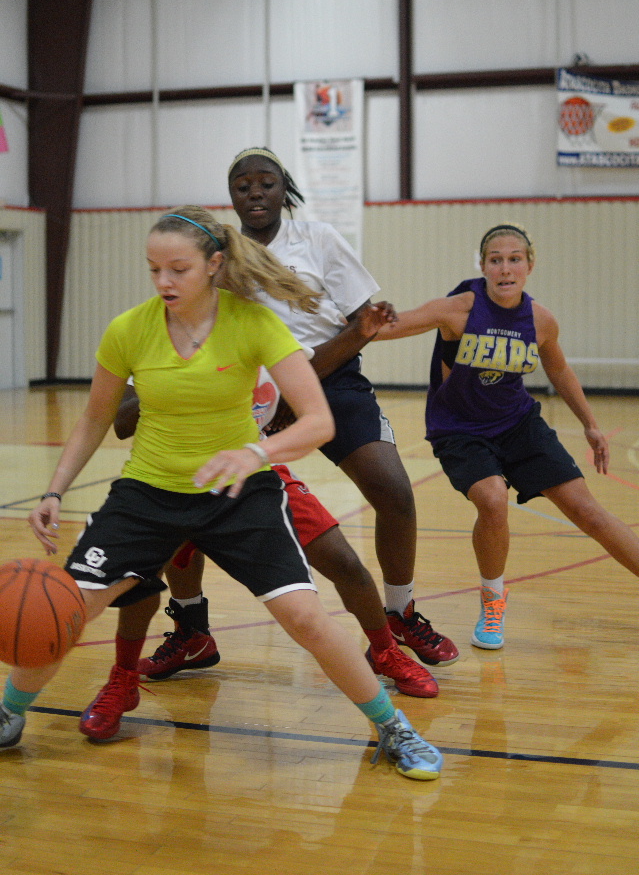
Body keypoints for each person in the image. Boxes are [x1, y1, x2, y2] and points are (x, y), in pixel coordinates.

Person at [0, 206, 442, 782]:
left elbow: (317, 421)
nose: (163, 281)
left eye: (178, 269)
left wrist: (254, 453)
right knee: (63, 611)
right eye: (154, 268)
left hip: (239, 492)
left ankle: (392, 727)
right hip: (147, 493)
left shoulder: (253, 324)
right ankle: (9, 713)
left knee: (306, 618)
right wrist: (55, 490)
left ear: (213, 265)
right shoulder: (129, 329)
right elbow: (93, 421)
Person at [223, 146, 458, 666]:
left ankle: (399, 612)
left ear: (284, 188)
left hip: (332, 379)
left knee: (394, 491)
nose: (255, 193)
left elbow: (362, 325)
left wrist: (303, 385)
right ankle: (192, 626)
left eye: (265, 183)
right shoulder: (223, 256)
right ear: (232, 196)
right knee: (195, 496)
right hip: (258, 395)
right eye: (243, 186)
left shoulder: (319, 239)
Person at [373, 221, 639, 649]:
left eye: (515, 259)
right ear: (482, 266)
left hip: (518, 424)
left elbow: (558, 368)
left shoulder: (540, 320)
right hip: (459, 430)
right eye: (495, 260)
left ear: (529, 266)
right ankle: (493, 600)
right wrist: (346, 323)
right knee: (493, 498)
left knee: (588, 512)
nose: (505, 268)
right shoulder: (459, 307)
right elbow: (390, 327)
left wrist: (591, 424)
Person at [106, 366, 439, 705]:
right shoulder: (157, 341)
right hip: (175, 475)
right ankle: (130, 673)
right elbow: (121, 423)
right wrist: (179, 383)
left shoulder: (258, 332)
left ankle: (385, 652)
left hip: (255, 470)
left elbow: (308, 402)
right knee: (140, 577)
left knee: (343, 562)